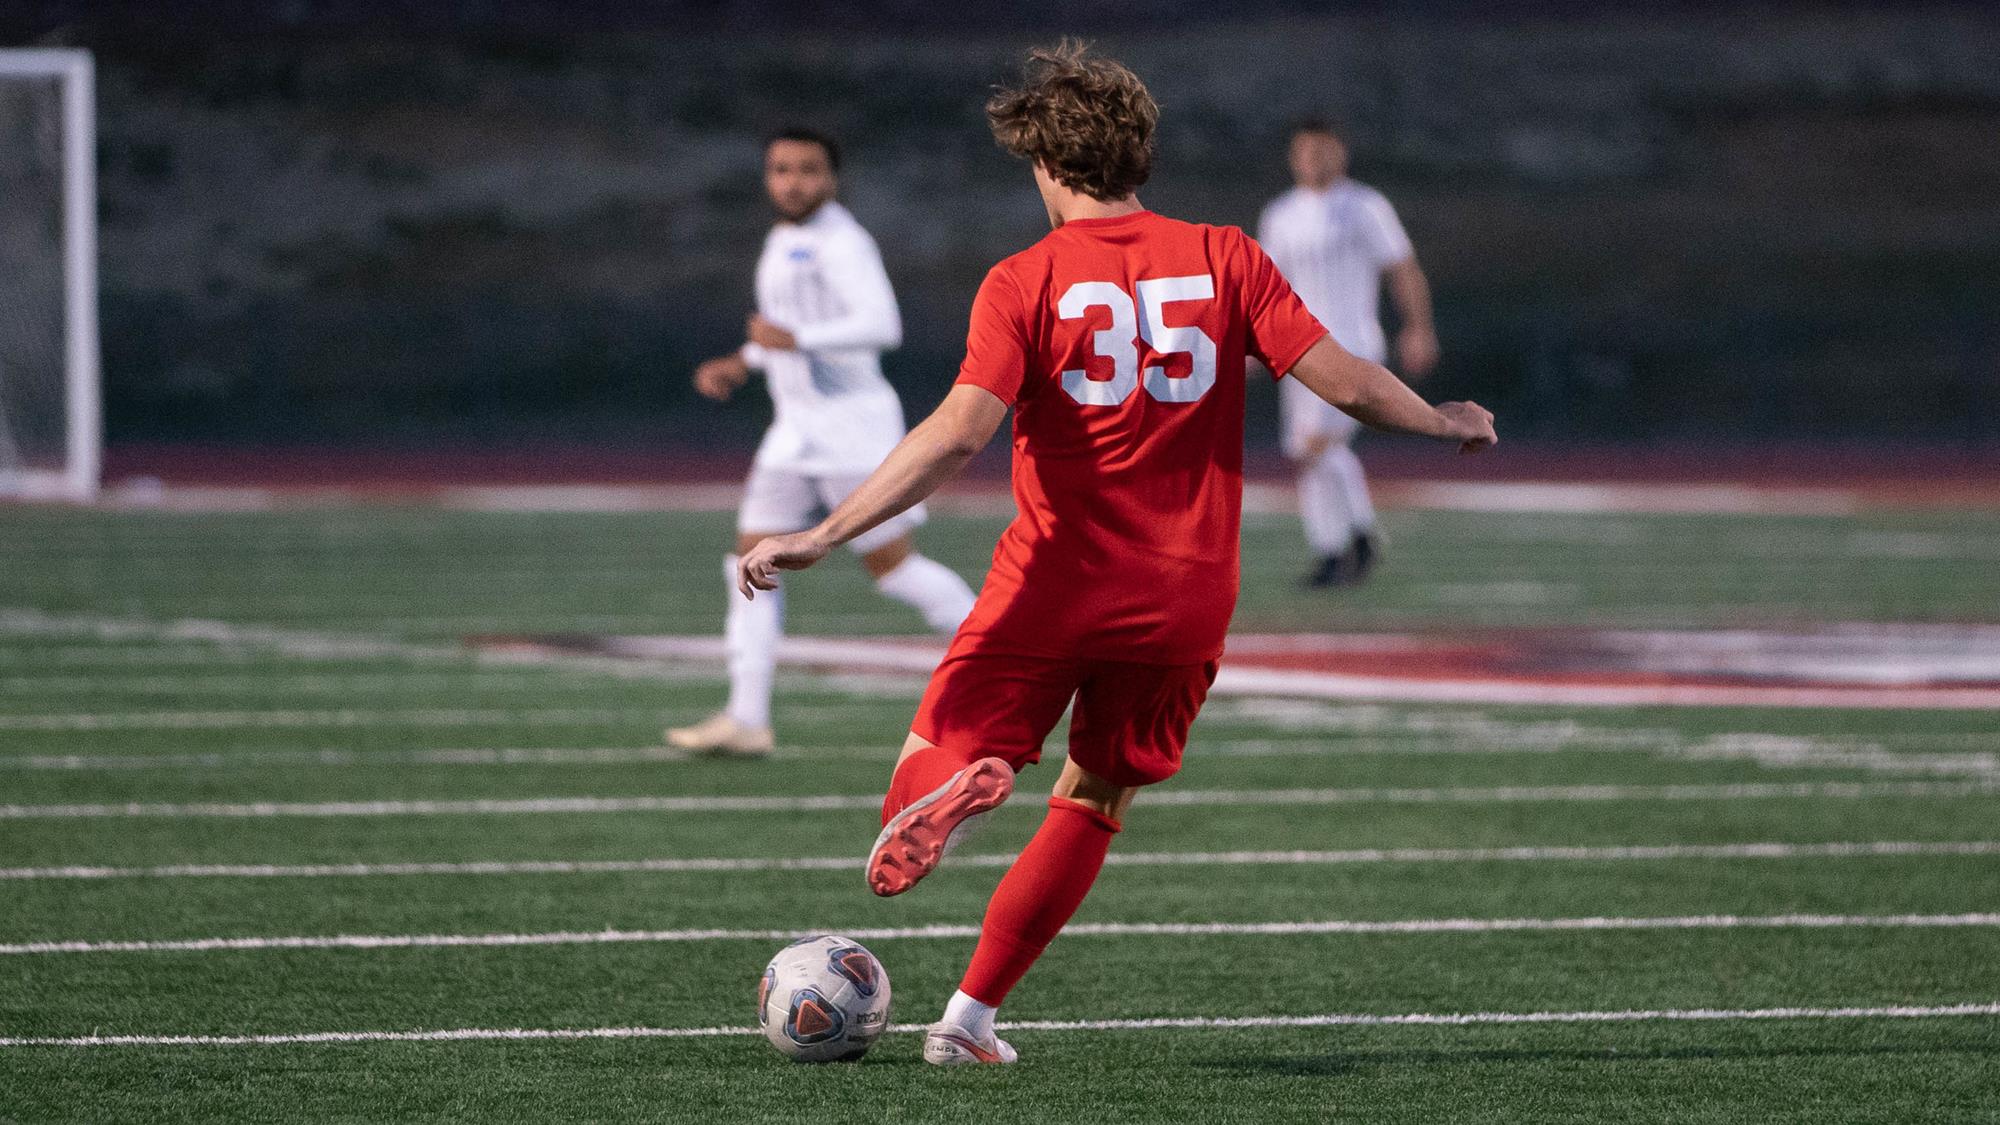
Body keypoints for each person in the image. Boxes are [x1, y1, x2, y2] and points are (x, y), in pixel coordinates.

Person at [738, 43, 1494, 1063]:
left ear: (1047, 165)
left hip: (1053, 580)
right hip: (1183, 595)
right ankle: (968, 1020)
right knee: (1094, 798)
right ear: (1138, 154)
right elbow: (1344, 379)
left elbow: (959, 432)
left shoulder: (1025, 278)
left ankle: (957, 779)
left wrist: (826, 532)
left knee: (941, 742)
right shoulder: (1225, 255)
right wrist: (1440, 419)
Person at [667, 128, 977, 758]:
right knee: (750, 563)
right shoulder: (783, 239)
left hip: (851, 430)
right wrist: (744, 360)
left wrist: (794, 342)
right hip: (794, 432)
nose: (793, 181)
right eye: (781, 169)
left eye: (808, 169)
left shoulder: (844, 242)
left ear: (832, 179)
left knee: (894, 568)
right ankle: (746, 718)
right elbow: (785, 328)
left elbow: (881, 325)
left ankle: (1011, 664)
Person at [1257, 119, 1441, 587]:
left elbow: (1403, 268)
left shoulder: (1364, 206)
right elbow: (1266, 287)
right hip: (1297, 347)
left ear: (1340, 153)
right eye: (1305, 151)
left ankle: (1358, 535)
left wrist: (1418, 327)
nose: (1313, 160)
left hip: (1352, 344)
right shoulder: (1280, 215)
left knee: (1319, 444)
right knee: (1305, 451)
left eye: (1322, 150)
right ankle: (1332, 549)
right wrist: (1254, 344)